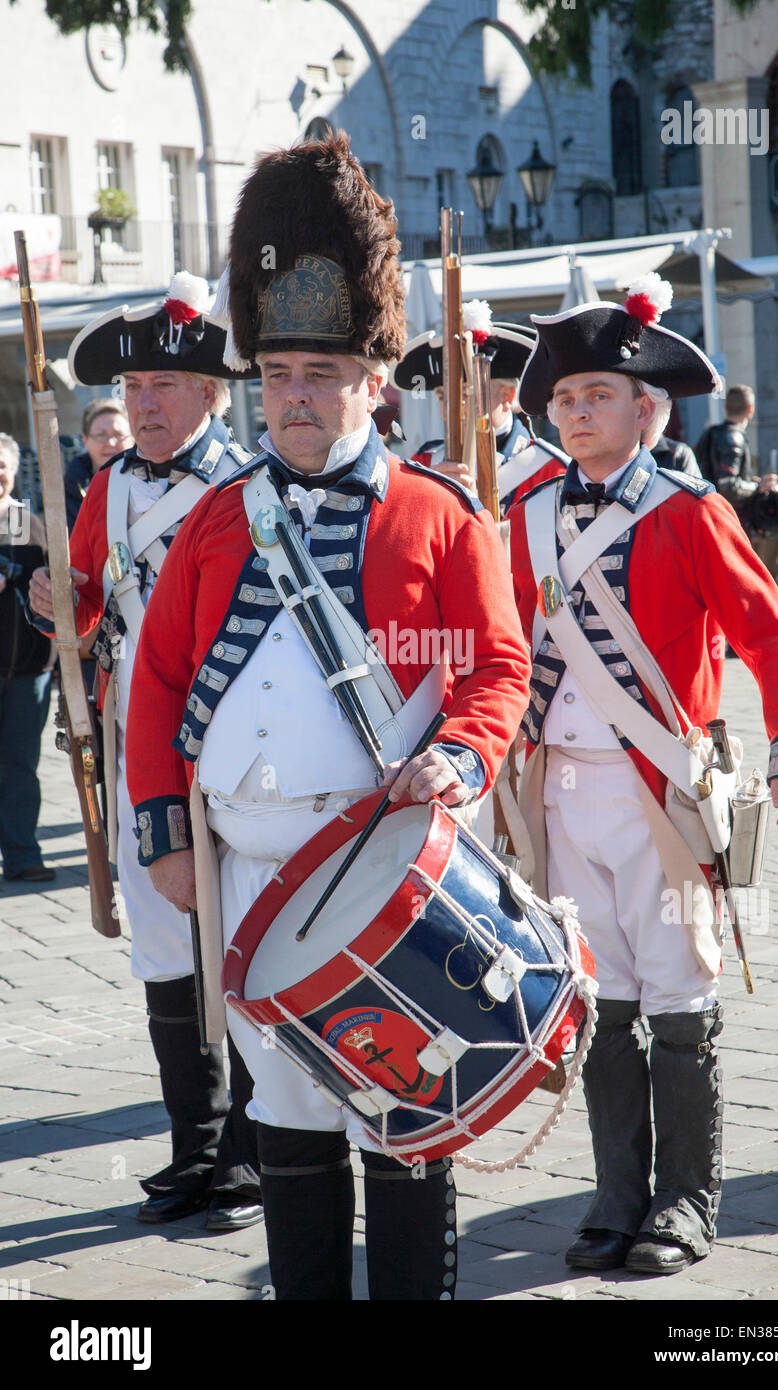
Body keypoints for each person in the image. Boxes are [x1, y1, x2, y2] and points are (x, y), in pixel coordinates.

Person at [125, 133, 531, 1300]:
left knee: (405, 1108)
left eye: (319, 375)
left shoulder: (439, 515)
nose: (292, 399)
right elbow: (155, 686)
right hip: (247, 869)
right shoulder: (215, 518)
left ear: (370, 379)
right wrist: (164, 833)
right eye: (276, 376)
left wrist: (455, 758)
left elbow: (494, 667)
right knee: (289, 1117)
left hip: (384, 866)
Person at [508, 275, 778, 1277]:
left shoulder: (686, 510)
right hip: (555, 791)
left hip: (658, 788)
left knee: (677, 998)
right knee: (595, 999)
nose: (576, 413)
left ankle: (684, 1203)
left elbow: (771, 636)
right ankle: (614, 1197)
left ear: (647, 409)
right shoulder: (522, 509)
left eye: (596, 395)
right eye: (564, 399)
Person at [28, 275, 263, 1233]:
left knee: (237, 943)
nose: (146, 404)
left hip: (234, 749)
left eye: (166, 384)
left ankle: (254, 1149)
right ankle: (195, 1145)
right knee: (166, 951)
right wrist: (60, 604)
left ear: (211, 393)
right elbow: (90, 600)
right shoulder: (114, 486)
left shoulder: (247, 485)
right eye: (136, 390)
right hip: (137, 745)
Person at [392, 302, 568, 514]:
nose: (451, 409)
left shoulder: (550, 471)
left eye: (466, 395)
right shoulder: (424, 464)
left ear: (507, 395)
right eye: (442, 397)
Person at [0, 434, 55, 883]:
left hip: (26, 670)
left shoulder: (23, 520)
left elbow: (44, 577)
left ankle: (21, 854)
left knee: (20, 766)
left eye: (1, 465)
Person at [65, 398, 133, 532]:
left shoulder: (151, 481)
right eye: (101, 435)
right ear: (85, 440)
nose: (111, 443)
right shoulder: (69, 490)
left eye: (118, 435)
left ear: (133, 438)